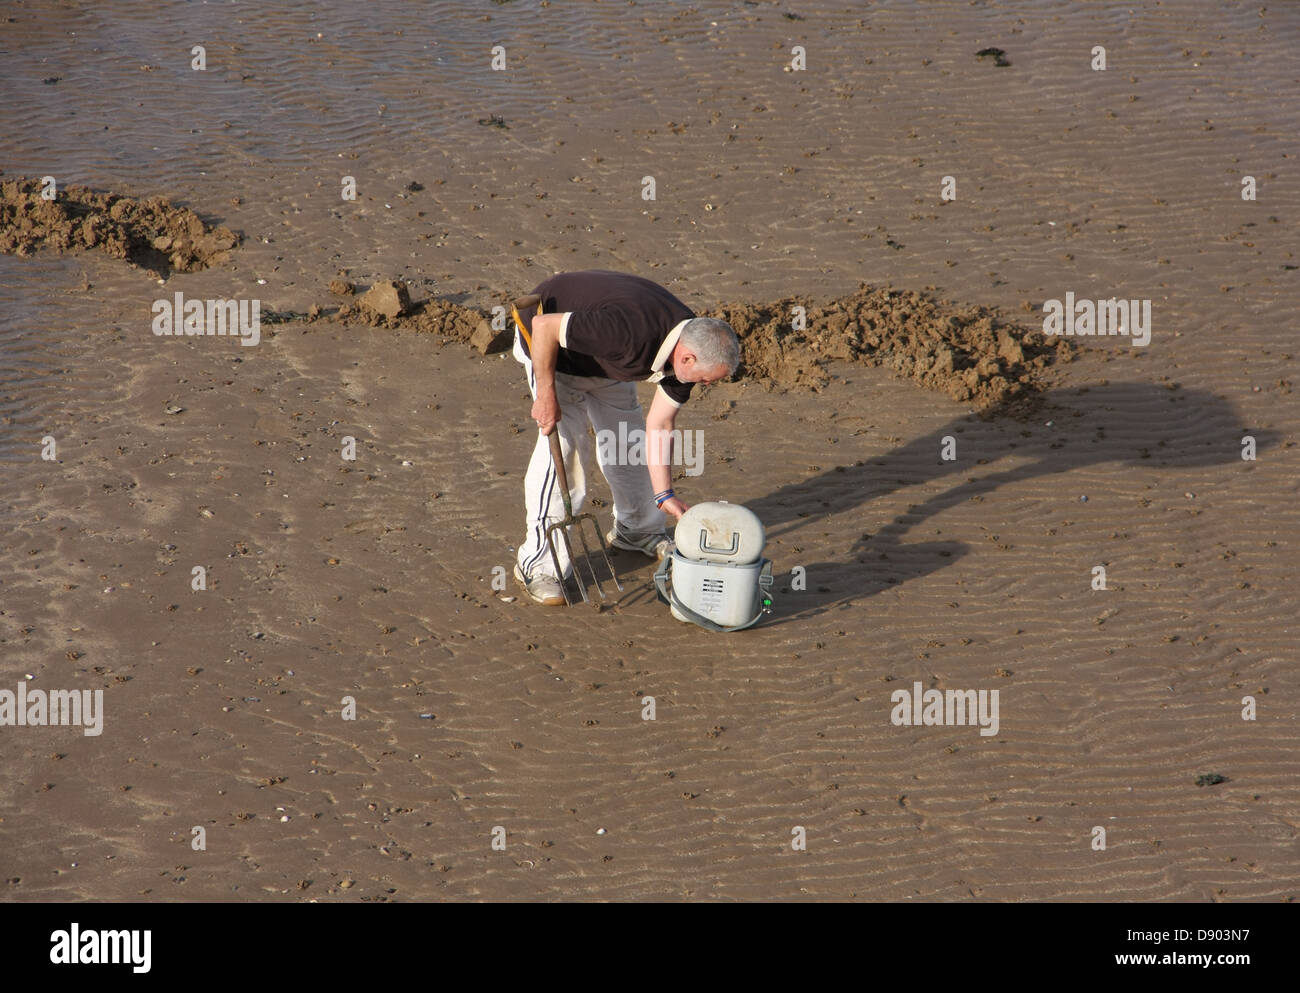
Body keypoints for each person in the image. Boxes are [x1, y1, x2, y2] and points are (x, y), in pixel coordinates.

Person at [512, 269, 741, 605]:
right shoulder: (628, 331)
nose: (704, 385)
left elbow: (660, 425)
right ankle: (537, 564)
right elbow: (544, 327)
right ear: (687, 357)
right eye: (706, 379)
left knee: (628, 443)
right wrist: (546, 393)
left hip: (606, 363)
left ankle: (638, 530)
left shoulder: (690, 348)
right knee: (566, 449)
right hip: (554, 355)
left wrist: (665, 495)